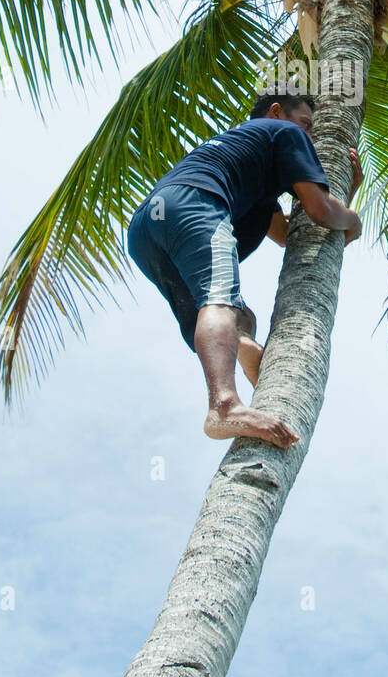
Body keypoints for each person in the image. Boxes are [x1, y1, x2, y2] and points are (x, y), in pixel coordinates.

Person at [127, 91, 363, 449]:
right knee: (221, 302)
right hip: (195, 204)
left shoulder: (252, 170)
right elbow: (318, 211)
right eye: (306, 125)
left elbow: (286, 234)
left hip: (148, 228)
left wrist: (348, 190)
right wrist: (352, 219)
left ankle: (245, 349)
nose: (310, 138)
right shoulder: (283, 133)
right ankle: (224, 405)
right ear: (275, 112)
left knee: (239, 319)